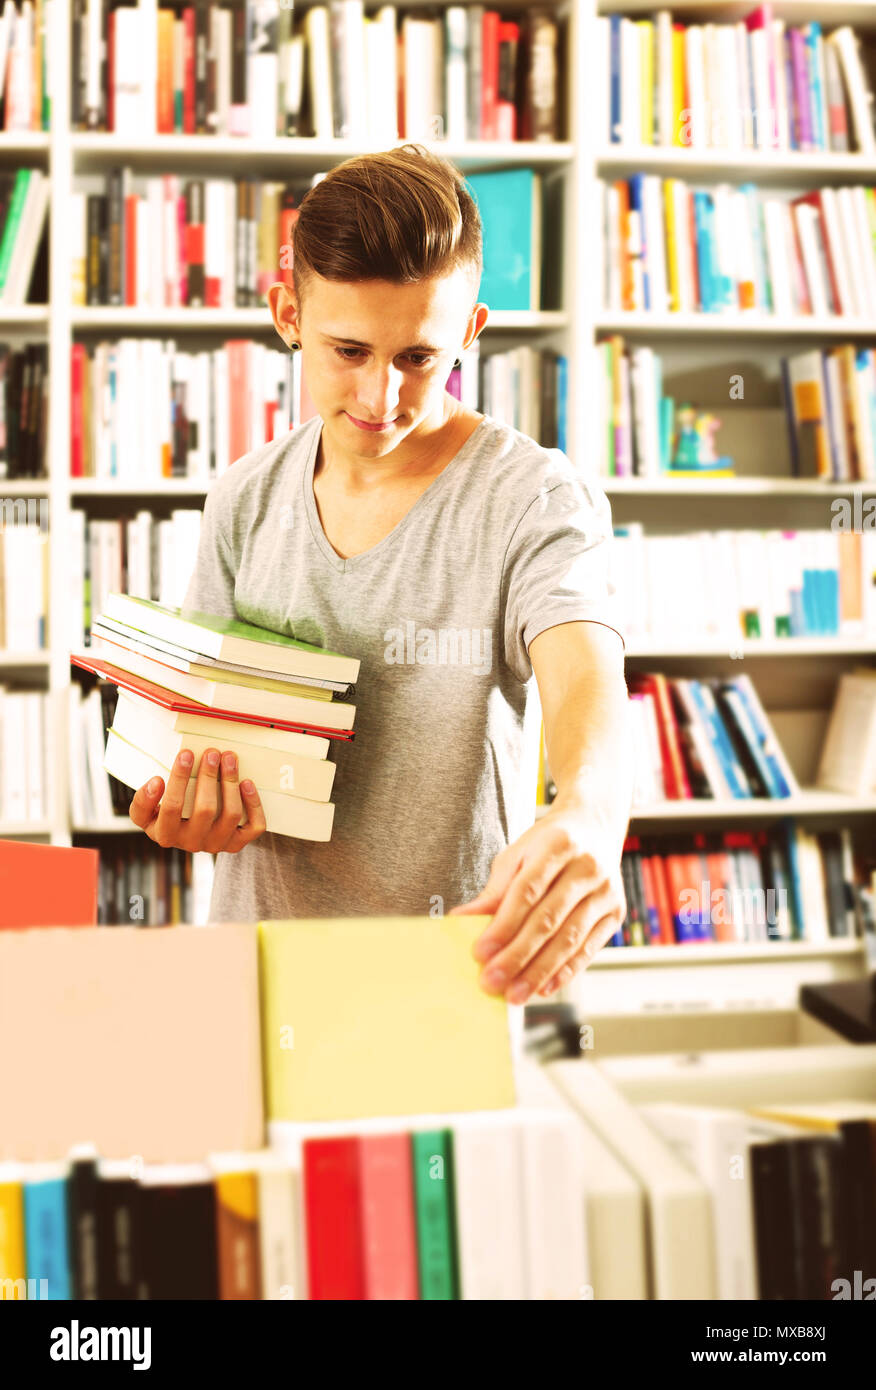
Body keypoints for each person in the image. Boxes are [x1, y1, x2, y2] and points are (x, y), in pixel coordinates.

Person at [128, 144, 633, 1005]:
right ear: (288, 313)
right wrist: (191, 805)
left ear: (471, 333)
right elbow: (197, 732)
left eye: (418, 358)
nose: (381, 396)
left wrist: (589, 808)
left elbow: (587, 675)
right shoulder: (244, 496)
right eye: (349, 350)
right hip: (257, 984)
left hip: (445, 990)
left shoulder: (535, 496)